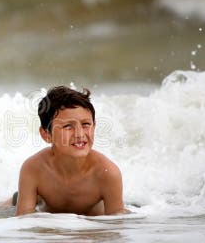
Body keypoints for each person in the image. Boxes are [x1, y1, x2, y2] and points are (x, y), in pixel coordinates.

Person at [11, 86, 127, 216]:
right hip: (43, 204)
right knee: (7, 205)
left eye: (86, 124)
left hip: (90, 221)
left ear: (94, 126)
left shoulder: (107, 174)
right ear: (46, 135)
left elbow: (116, 226)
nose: (79, 134)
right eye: (68, 126)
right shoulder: (34, 169)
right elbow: (22, 223)